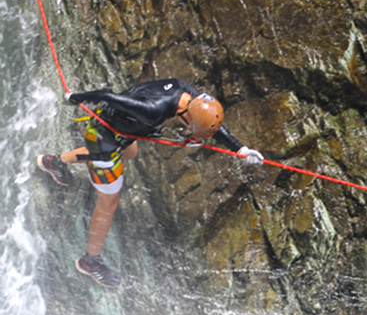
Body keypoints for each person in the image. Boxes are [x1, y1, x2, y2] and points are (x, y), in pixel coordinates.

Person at [36, 78, 264, 287]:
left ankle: (54, 162)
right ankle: (90, 261)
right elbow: (107, 96)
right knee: (108, 203)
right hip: (103, 134)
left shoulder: (189, 94)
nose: (188, 130)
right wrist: (75, 98)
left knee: (130, 152)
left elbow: (209, 121)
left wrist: (240, 149)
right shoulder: (154, 111)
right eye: (189, 127)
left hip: (120, 126)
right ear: (186, 116)